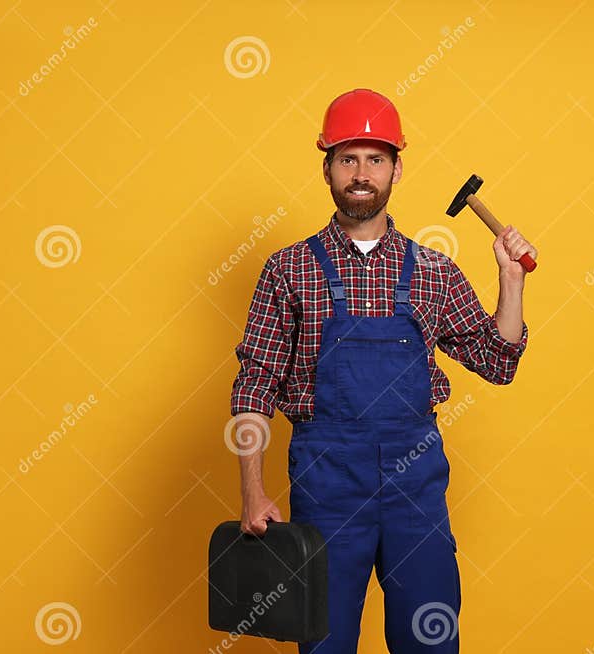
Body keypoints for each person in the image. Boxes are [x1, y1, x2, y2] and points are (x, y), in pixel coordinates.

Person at [229, 88, 537, 653]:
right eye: (348, 158)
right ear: (327, 169)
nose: (362, 172)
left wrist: (511, 283)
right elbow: (254, 385)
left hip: (414, 488)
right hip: (327, 486)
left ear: (397, 168)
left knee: (430, 641)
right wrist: (253, 491)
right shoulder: (288, 269)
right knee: (323, 641)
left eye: (376, 158)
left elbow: (497, 361)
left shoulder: (435, 272)